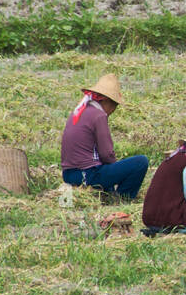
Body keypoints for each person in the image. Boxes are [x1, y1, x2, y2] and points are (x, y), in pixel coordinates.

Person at [60, 73, 149, 201]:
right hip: (86, 175)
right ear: (106, 101)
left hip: (69, 174)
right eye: (114, 105)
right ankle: (122, 199)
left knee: (107, 169)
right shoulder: (98, 115)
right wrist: (117, 174)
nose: (113, 110)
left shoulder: (80, 111)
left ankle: (110, 195)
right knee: (140, 162)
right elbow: (107, 154)